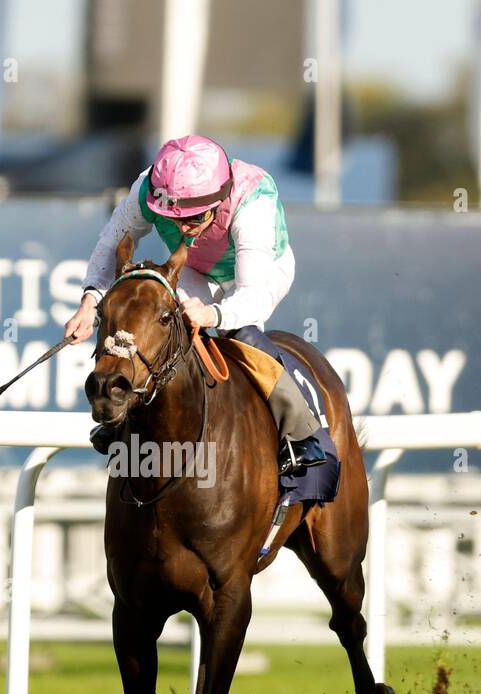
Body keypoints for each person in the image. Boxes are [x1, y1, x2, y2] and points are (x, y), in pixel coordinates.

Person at [65, 134, 327, 475]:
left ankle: (299, 432)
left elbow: (253, 296)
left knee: (240, 333)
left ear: (220, 200)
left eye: (192, 220)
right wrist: (89, 303)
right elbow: (109, 243)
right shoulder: (148, 188)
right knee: (168, 326)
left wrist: (213, 314)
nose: (181, 229)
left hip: (260, 274)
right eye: (172, 220)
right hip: (197, 269)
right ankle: (125, 420)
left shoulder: (253, 203)